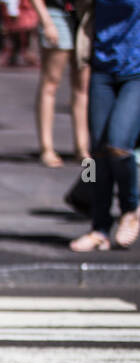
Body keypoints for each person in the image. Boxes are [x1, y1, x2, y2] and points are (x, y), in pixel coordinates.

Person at [70, 0, 139, 250]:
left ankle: (131, 209)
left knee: (119, 145)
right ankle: (99, 228)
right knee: (95, 154)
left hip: (136, 72)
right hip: (102, 68)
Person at [29, 0, 91, 166]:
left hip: (85, 14)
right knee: (51, 82)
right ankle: (46, 147)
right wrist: (46, 21)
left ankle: (82, 147)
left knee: (82, 85)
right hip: (56, 12)